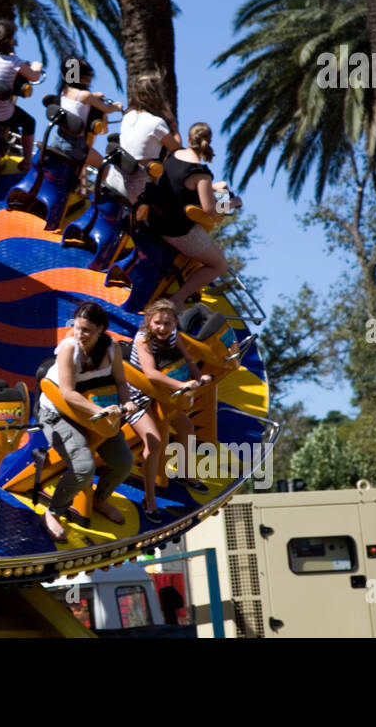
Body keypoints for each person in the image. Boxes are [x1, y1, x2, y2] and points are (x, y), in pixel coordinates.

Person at [39, 300, 138, 542]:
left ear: (101, 329)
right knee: (83, 468)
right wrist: (100, 411)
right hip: (60, 412)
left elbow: (120, 382)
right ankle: (54, 510)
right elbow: (67, 393)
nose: (80, 334)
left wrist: (126, 403)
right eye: (78, 328)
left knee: (123, 462)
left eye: (87, 330)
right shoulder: (68, 349)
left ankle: (99, 499)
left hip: (94, 413)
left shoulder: (111, 348)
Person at [128, 298, 213, 523]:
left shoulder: (173, 336)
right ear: (149, 321)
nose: (162, 328)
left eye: (167, 323)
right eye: (157, 323)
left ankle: (185, 472)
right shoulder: (143, 339)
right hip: (140, 396)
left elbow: (188, 359)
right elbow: (150, 373)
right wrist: (182, 386)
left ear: (175, 322)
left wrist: (197, 377)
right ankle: (150, 497)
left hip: (163, 393)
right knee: (154, 443)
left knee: (187, 427)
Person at [147, 122, 241, 310]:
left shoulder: (174, 155)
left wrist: (215, 186)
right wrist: (234, 202)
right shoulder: (201, 173)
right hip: (175, 230)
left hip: (154, 219)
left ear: (189, 139)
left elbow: (180, 183)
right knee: (219, 265)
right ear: (208, 142)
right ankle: (177, 299)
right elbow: (211, 211)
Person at [104, 68, 181, 204]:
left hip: (114, 180)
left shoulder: (128, 117)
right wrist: (173, 124)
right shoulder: (157, 124)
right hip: (136, 190)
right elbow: (177, 150)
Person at [0, 19, 42, 171]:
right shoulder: (14, 62)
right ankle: (26, 161)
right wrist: (37, 67)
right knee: (29, 122)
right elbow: (34, 77)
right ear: (11, 40)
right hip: (1, 116)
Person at [46, 56, 122, 170]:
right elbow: (107, 109)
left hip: (58, 139)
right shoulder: (86, 95)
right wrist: (117, 107)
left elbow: (80, 100)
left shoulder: (65, 91)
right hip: (75, 146)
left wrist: (95, 96)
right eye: (87, 73)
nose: (90, 75)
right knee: (105, 168)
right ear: (81, 76)